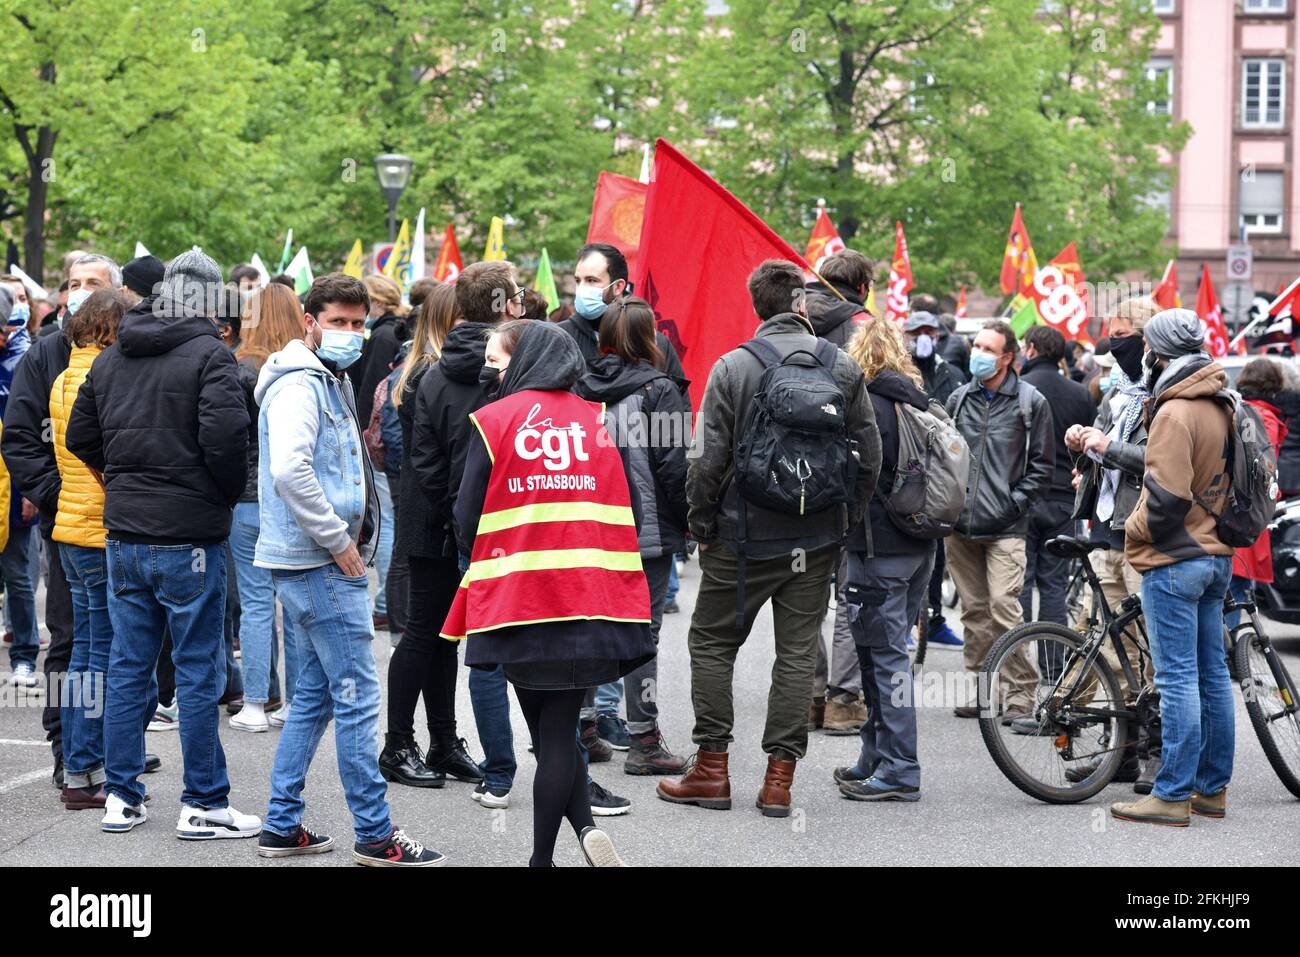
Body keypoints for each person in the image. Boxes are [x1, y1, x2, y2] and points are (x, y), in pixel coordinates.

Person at [657, 259, 881, 816]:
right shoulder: (842, 366)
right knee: (797, 653)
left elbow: (706, 459)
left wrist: (702, 524)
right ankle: (778, 783)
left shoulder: (733, 366)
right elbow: (869, 456)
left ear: (756, 307)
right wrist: (845, 518)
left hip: (742, 536)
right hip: (816, 538)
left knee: (711, 644)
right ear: (802, 305)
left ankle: (711, 771)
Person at [442, 318, 654, 867]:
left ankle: (541, 860)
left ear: (527, 358)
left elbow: (466, 515)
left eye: (502, 359)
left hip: (516, 599)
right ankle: (584, 829)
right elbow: (627, 501)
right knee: (556, 729)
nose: (495, 369)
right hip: (589, 595)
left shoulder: (492, 420)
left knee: (549, 729)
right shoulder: (598, 420)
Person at [253, 272, 442, 865]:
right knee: (357, 697)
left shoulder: (318, 376)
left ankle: (281, 824)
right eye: (338, 322)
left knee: (315, 695)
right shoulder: (301, 385)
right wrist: (340, 543)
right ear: (309, 322)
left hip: (310, 561)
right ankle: (376, 835)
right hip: (318, 564)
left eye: (359, 324)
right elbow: (289, 471)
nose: (352, 334)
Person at [67, 247, 256, 839]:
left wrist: (122, 483)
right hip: (188, 537)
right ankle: (202, 801)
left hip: (126, 535)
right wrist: (216, 498)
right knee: (198, 671)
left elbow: (80, 437)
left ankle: (122, 795)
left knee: (129, 667)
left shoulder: (112, 357)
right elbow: (228, 447)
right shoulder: (210, 356)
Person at [1111, 309, 1234, 827]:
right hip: (1216, 557)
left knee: (1177, 677)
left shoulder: (1173, 411)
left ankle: (1172, 794)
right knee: (1213, 676)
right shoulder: (1225, 402)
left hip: (1176, 559)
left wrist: (1131, 529)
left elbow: (1163, 501)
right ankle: (1211, 790)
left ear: (1157, 353)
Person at [1, 254, 118, 787]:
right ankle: (65, 744)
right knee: (71, 639)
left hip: (130, 525)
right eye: (73, 283)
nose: (80, 292)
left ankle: (112, 742)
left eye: (93, 283)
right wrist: (52, 492)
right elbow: (20, 436)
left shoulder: (128, 353)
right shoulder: (46, 353)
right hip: (68, 523)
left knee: (124, 642)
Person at [408, 262, 522, 805]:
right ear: (505, 306)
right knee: (529, 649)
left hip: (465, 531)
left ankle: (481, 760)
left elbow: (425, 464)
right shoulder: (516, 368)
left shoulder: (432, 374)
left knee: (478, 647)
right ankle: (542, 764)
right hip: (512, 529)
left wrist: (458, 517)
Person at [575, 296, 691, 775]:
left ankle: (583, 731)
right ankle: (644, 742)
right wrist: (689, 521)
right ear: (649, 338)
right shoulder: (659, 390)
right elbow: (674, 466)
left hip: (586, 528)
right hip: (645, 532)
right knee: (642, 636)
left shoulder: (577, 386)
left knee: (587, 628)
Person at [834, 316, 937, 801]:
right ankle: (874, 755)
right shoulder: (917, 400)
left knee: (885, 659)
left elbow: (854, 477)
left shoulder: (864, 406)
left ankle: (899, 768)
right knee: (884, 655)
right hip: (919, 545)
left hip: (878, 548)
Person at [1063, 296, 1161, 788]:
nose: (1111, 341)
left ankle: (1154, 751)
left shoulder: (1161, 392)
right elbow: (1101, 444)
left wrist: (1109, 447)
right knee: (1109, 645)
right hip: (1105, 532)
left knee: (1146, 646)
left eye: (1120, 333)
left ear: (1145, 339)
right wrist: (1082, 440)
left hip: (1140, 532)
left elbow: (1159, 462)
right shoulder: (1117, 391)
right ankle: (1120, 750)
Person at [381, 282, 474, 791]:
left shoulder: (428, 369)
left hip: (434, 516)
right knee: (422, 634)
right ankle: (398, 744)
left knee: (443, 636)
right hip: (428, 518)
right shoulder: (426, 374)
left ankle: (444, 740)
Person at [944, 320, 1053, 721]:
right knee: (973, 612)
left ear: (1008, 357)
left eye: (988, 348)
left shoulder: (1031, 402)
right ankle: (978, 690)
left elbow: (1043, 468)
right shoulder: (957, 399)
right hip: (960, 528)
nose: (979, 353)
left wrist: (1013, 505)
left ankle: (1021, 694)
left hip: (1006, 528)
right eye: (976, 345)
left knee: (1006, 610)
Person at [50, 289, 127, 807]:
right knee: (101, 655)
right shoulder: (103, 376)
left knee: (84, 652)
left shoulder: (64, 375)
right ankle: (84, 768)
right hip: (98, 528)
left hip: (70, 528)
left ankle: (80, 766)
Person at [227, 284, 304, 733]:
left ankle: (255, 702)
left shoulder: (238, 368)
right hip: (291, 499)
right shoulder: (306, 368)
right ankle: (296, 701)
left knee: (255, 603)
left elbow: (228, 440)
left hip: (246, 499)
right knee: (294, 604)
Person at [803, 250, 872, 734]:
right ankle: (844, 700)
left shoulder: (791, 319)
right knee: (850, 594)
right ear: (862, 286)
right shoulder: (865, 329)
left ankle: (807, 695)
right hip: (847, 476)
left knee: (803, 590)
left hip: (791, 477)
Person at [1016, 326, 1097, 633]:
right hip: (1064, 497)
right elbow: (1091, 449)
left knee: (1020, 582)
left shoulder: (1019, 388)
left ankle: (1016, 657)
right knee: (1054, 585)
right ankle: (1054, 666)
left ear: (1032, 349)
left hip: (1024, 496)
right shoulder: (1080, 394)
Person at [900, 309, 966, 649]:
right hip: (907, 469)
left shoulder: (949, 372)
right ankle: (908, 620)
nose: (923, 337)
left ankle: (934, 619)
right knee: (907, 544)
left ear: (938, 336)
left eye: (929, 331)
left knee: (937, 548)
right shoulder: (897, 369)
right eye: (917, 331)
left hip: (940, 471)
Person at [356, 274, 407, 633]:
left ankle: (388, 602)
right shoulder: (394, 332)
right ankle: (392, 601)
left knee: (386, 525)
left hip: (383, 445)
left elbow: (373, 395)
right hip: (392, 443)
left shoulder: (383, 336)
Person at [556, 242, 685, 379]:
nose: (581, 288)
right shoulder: (558, 337)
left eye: (592, 280)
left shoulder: (653, 341)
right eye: (578, 280)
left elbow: (675, 397)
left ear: (618, 286)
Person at [0, 282, 39, 690]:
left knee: (18, 575)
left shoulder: (22, 362)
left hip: (12, 490)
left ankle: (25, 655)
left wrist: (29, 490)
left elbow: (28, 436)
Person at [1226, 359, 1287, 615]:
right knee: (1238, 588)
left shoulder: (1239, 409)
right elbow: (1262, 465)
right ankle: (1232, 651)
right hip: (1249, 509)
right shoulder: (1264, 418)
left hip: (1229, 502)